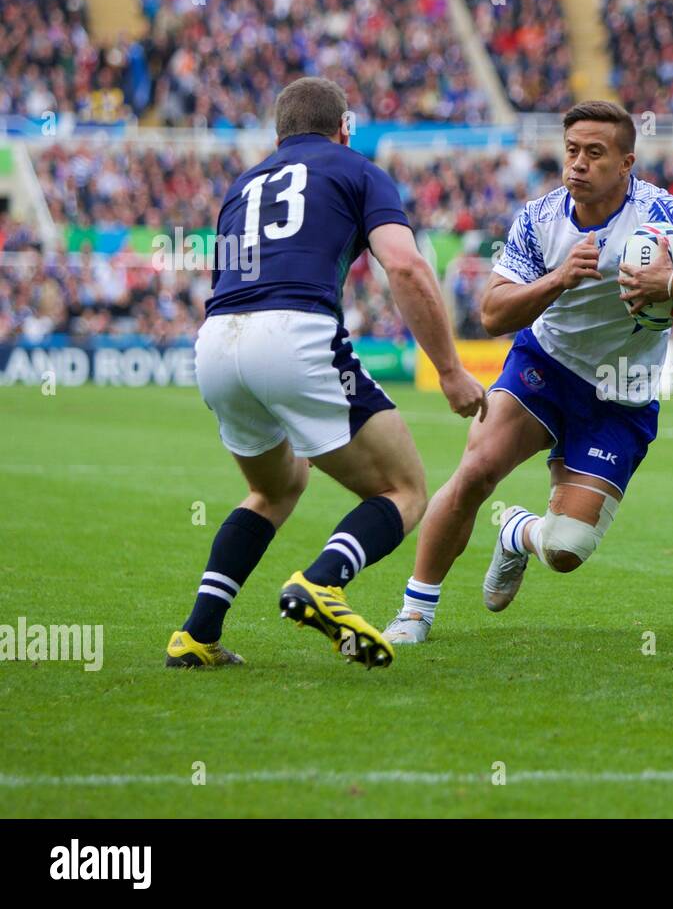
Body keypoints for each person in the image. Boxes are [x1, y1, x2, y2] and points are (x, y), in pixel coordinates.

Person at [382, 101, 673, 643]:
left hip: (623, 393)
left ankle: (516, 533)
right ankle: (415, 612)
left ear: (626, 163)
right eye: (572, 151)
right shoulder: (539, 217)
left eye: (595, 153)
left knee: (565, 551)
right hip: (547, 367)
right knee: (476, 471)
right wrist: (558, 279)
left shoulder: (667, 212)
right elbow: (492, 314)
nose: (578, 164)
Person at [166, 77, 485, 669]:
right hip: (293, 335)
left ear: (279, 133)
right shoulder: (357, 169)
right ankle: (323, 583)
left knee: (275, 486)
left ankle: (196, 635)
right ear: (345, 126)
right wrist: (448, 370)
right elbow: (407, 267)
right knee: (406, 490)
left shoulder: (242, 184)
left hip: (216, 342)